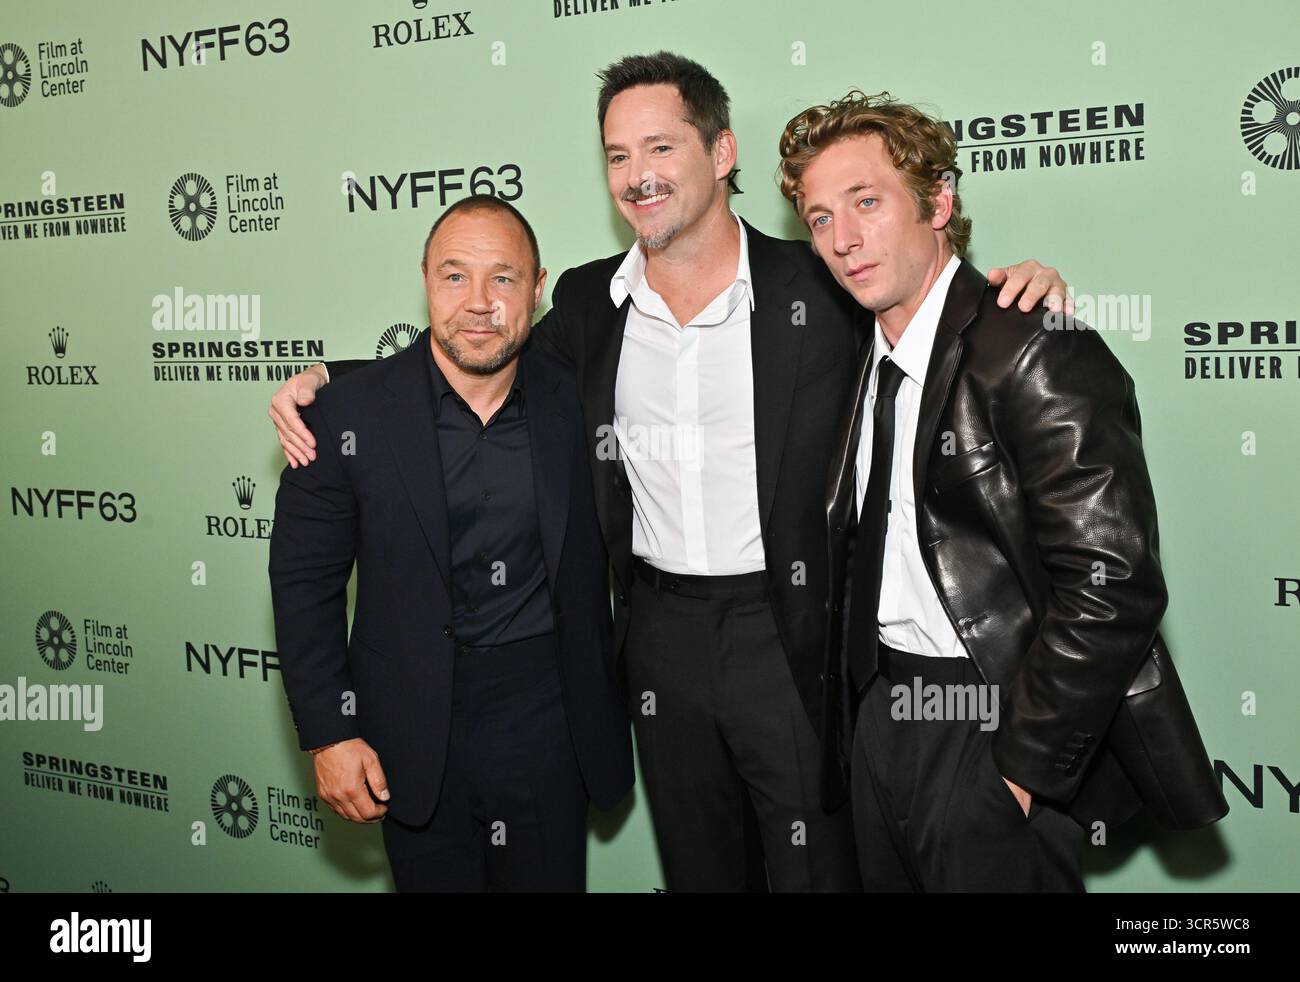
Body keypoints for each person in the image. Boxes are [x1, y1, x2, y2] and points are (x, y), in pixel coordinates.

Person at [268, 52, 1068, 892]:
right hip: (659, 640)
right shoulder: (585, 306)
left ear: (722, 154)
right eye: (618, 156)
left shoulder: (821, 286)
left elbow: (925, 299)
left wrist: (1017, 291)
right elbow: (475, 349)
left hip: (790, 634)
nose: (638, 176)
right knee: (700, 874)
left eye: (660, 149)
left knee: (816, 874)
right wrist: (333, 384)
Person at [778, 90, 1227, 891]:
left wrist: (1019, 770)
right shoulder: (868, 354)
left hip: (992, 723)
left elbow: (1114, 582)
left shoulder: (1031, 344)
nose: (842, 239)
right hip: (883, 716)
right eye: (818, 218)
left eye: (866, 202)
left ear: (939, 201)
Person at [268, 195, 632, 891]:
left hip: (549, 724)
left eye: (503, 278)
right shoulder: (346, 417)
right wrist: (329, 733)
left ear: (536, 287)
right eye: (455, 276)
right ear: (426, 280)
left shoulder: (583, 399)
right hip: (410, 728)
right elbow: (303, 588)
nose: (479, 301)